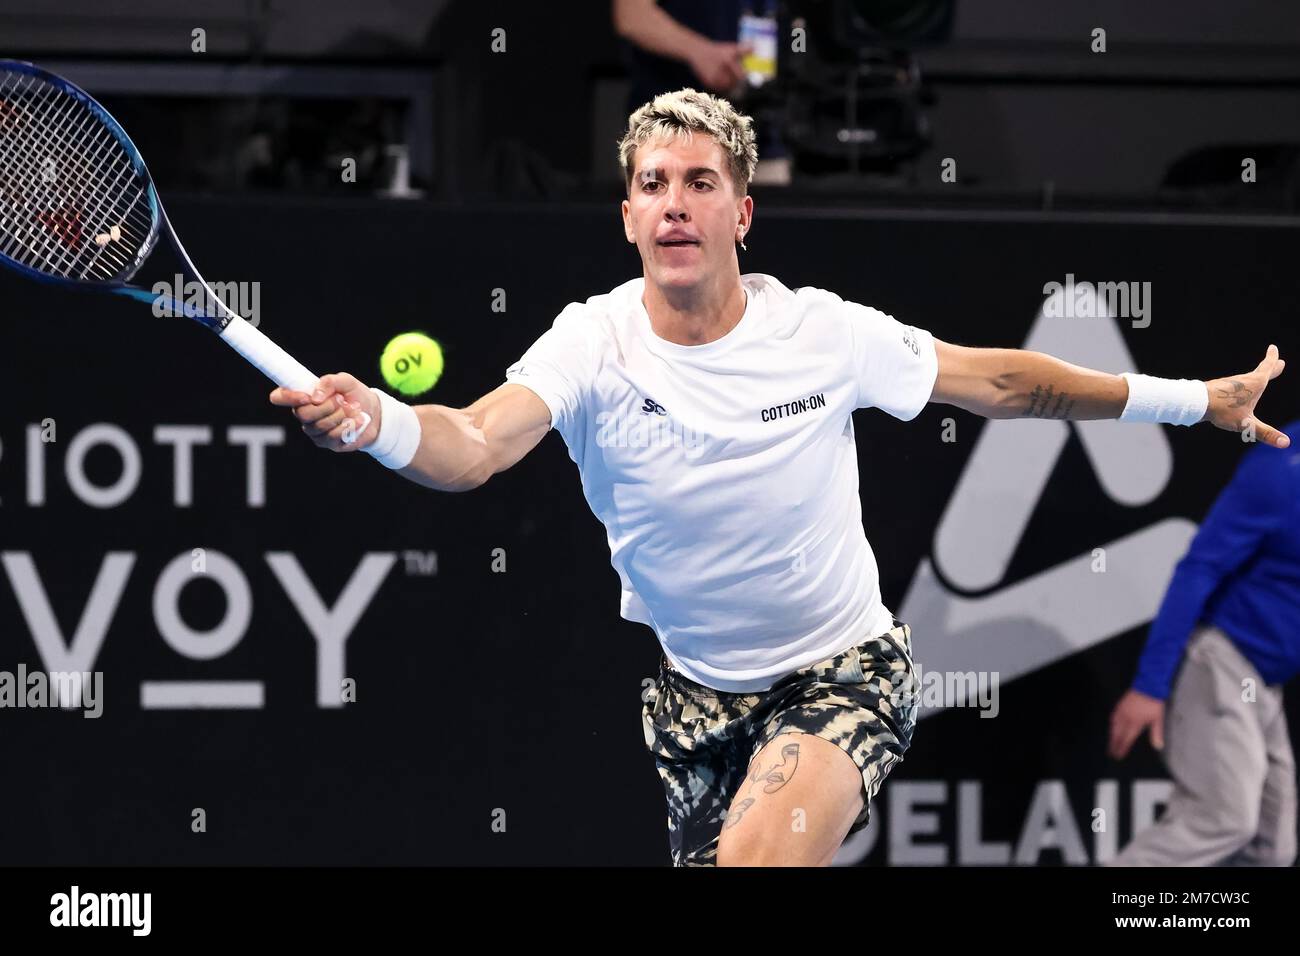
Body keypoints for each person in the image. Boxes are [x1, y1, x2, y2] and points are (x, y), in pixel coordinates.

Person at [270, 89, 1290, 867]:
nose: (675, 204)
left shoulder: (822, 333)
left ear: (741, 213)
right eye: (654, 185)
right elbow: (477, 443)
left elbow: (1004, 382)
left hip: (842, 673)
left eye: (700, 182)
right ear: (627, 216)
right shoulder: (590, 342)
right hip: (692, 699)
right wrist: (379, 426)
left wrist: (1190, 399)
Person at [1108, 420, 1300, 866]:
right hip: (1222, 662)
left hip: (1265, 684)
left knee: (1272, 850)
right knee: (1221, 818)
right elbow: (1199, 568)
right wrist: (1149, 685)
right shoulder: (1281, 468)